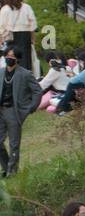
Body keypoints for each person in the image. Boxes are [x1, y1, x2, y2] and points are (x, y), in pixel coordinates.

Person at [0, 45, 41, 176]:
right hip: (1, 110)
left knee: (14, 144)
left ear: (17, 59)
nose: (9, 58)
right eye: (7, 56)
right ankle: (6, 167)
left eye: (12, 56)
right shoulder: (0, 72)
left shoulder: (25, 74)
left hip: (14, 111)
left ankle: (12, 172)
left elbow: (37, 91)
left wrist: (31, 107)